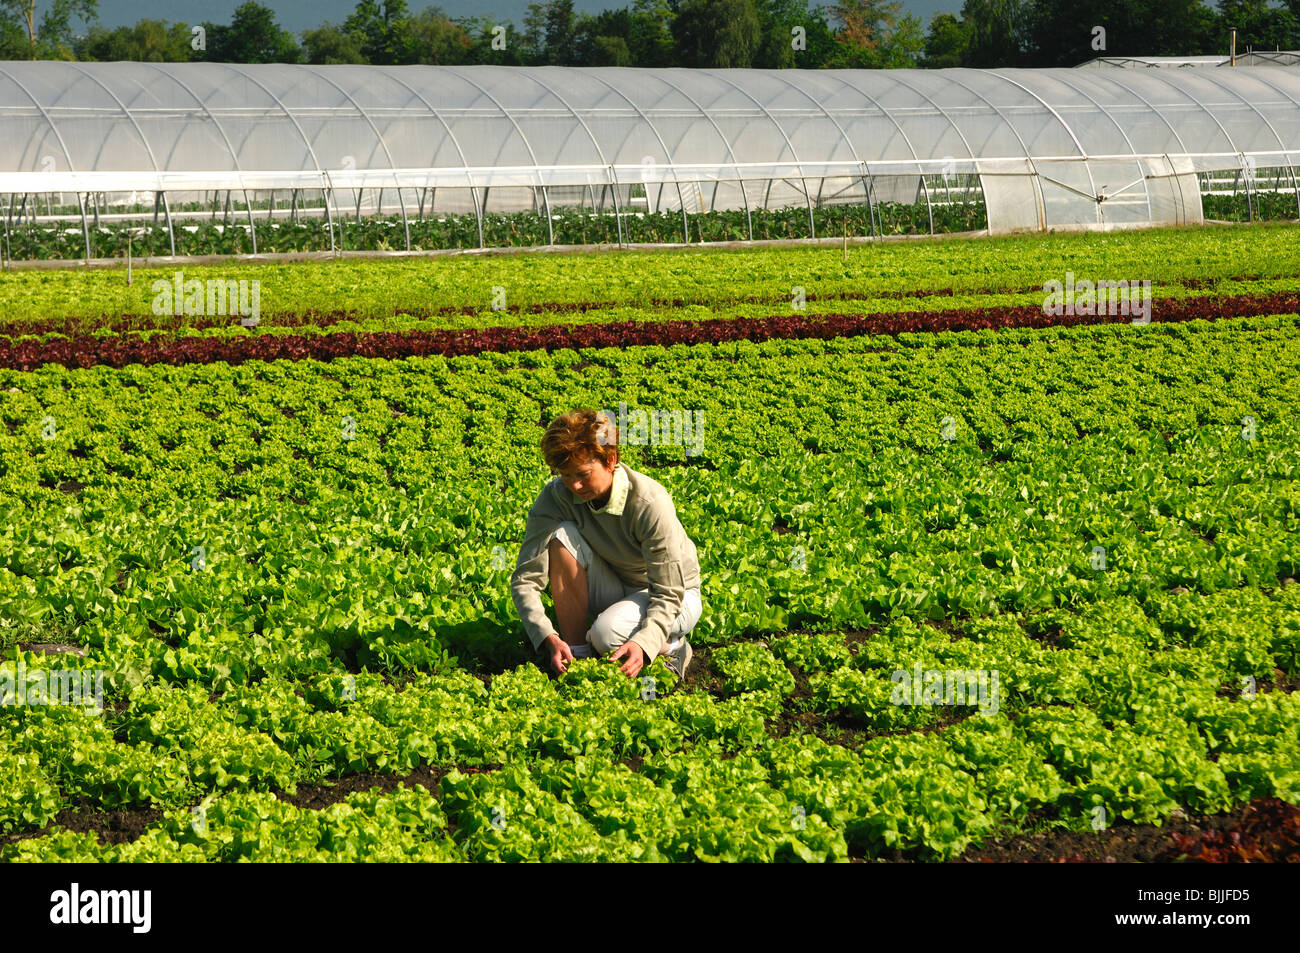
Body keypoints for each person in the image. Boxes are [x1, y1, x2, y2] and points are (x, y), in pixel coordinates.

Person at [511, 409, 702, 680]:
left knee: (606, 635)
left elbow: (669, 591)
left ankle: (673, 646)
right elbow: (525, 579)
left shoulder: (649, 502)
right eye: (565, 475)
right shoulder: (556, 497)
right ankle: (576, 653)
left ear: (610, 459)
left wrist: (644, 643)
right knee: (561, 535)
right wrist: (546, 636)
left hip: (674, 595)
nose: (574, 486)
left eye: (583, 474)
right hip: (617, 582)